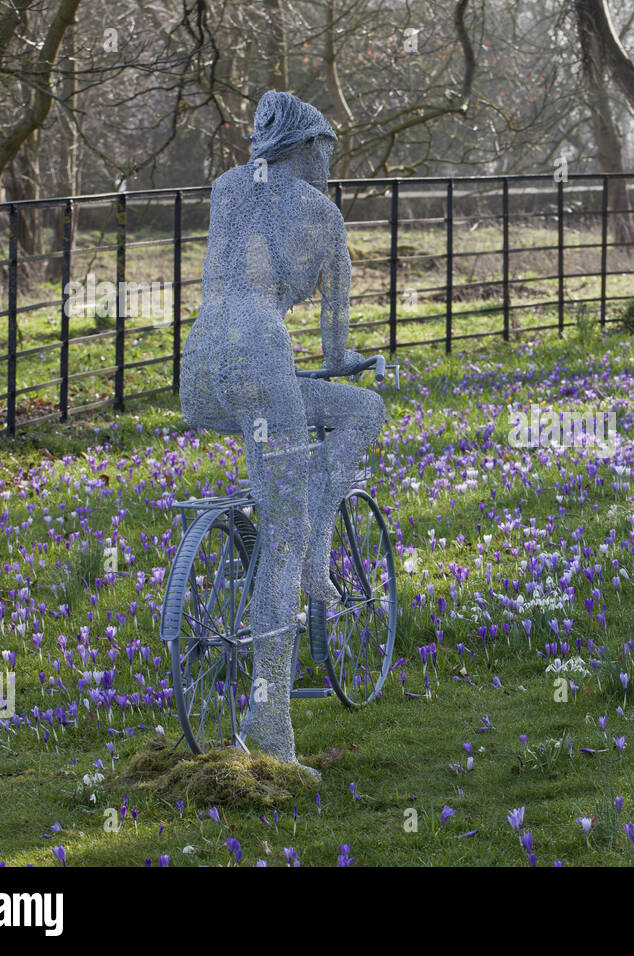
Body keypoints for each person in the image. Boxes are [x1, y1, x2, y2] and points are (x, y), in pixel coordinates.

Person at [179, 90, 385, 771]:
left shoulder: (227, 186)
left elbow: (238, 273)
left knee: (351, 416)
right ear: (306, 147)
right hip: (262, 357)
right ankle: (271, 729)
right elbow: (332, 350)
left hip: (202, 365)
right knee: (285, 531)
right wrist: (349, 362)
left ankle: (315, 534)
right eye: (325, 149)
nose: (329, 162)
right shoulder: (323, 214)